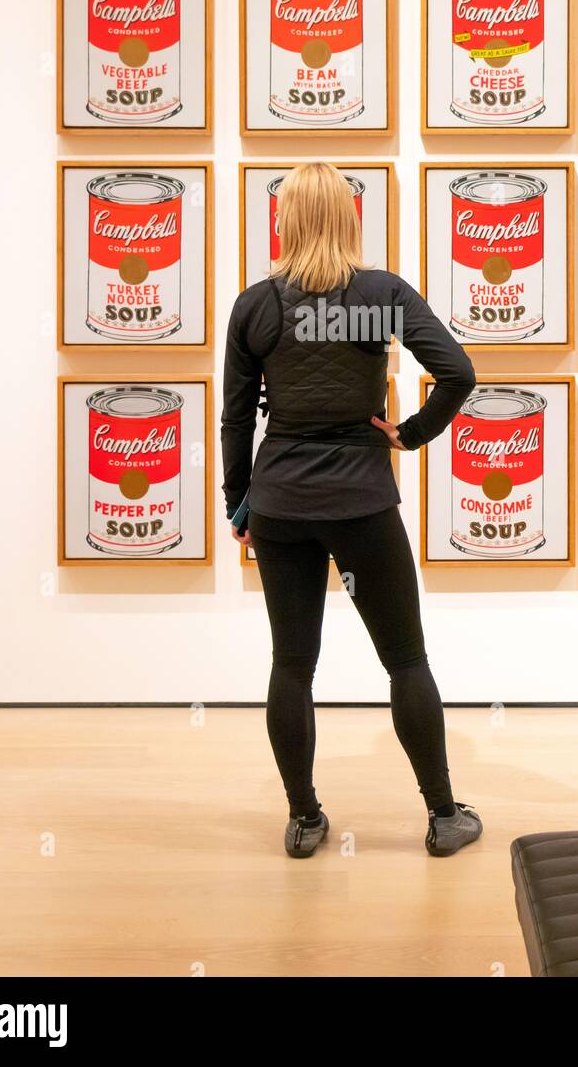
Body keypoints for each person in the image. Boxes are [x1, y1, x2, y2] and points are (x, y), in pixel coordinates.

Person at [221, 162, 481, 858]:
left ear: (285, 221)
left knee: (292, 664)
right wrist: (413, 433)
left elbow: (236, 421)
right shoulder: (378, 294)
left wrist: (238, 504)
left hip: (280, 504)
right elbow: (459, 373)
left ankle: (305, 821)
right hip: (362, 500)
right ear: (348, 218)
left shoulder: (255, 305)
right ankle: (443, 817)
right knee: (404, 660)